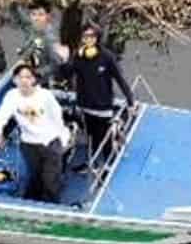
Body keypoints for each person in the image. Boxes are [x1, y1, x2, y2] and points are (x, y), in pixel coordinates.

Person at [0, 63, 70, 203]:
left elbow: (57, 118)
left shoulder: (45, 96)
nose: (24, 80)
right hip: (28, 144)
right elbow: (1, 116)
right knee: (35, 177)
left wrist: (62, 139)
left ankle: (51, 208)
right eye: (20, 77)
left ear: (33, 80)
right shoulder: (11, 96)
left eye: (28, 77)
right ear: (14, 80)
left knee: (50, 180)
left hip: (49, 143)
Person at [57, 22, 135, 162]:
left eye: (92, 36)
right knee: (91, 138)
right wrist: (64, 60)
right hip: (85, 106)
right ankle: (91, 163)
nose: (88, 39)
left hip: (103, 107)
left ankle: (109, 164)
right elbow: (67, 74)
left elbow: (120, 79)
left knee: (105, 140)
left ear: (97, 37)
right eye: (85, 36)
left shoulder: (107, 57)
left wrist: (130, 101)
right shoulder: (79, 55)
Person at [8, 0, 65, 86]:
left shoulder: (51, 38)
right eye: (33, 14)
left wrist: (35, 73)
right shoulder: (31, 28)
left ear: (48, 16)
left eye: (40, 14)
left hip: (40, 84)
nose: (36, 18)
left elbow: (55, 64)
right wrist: (13, 2)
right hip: (23, 81)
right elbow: (18, 17)